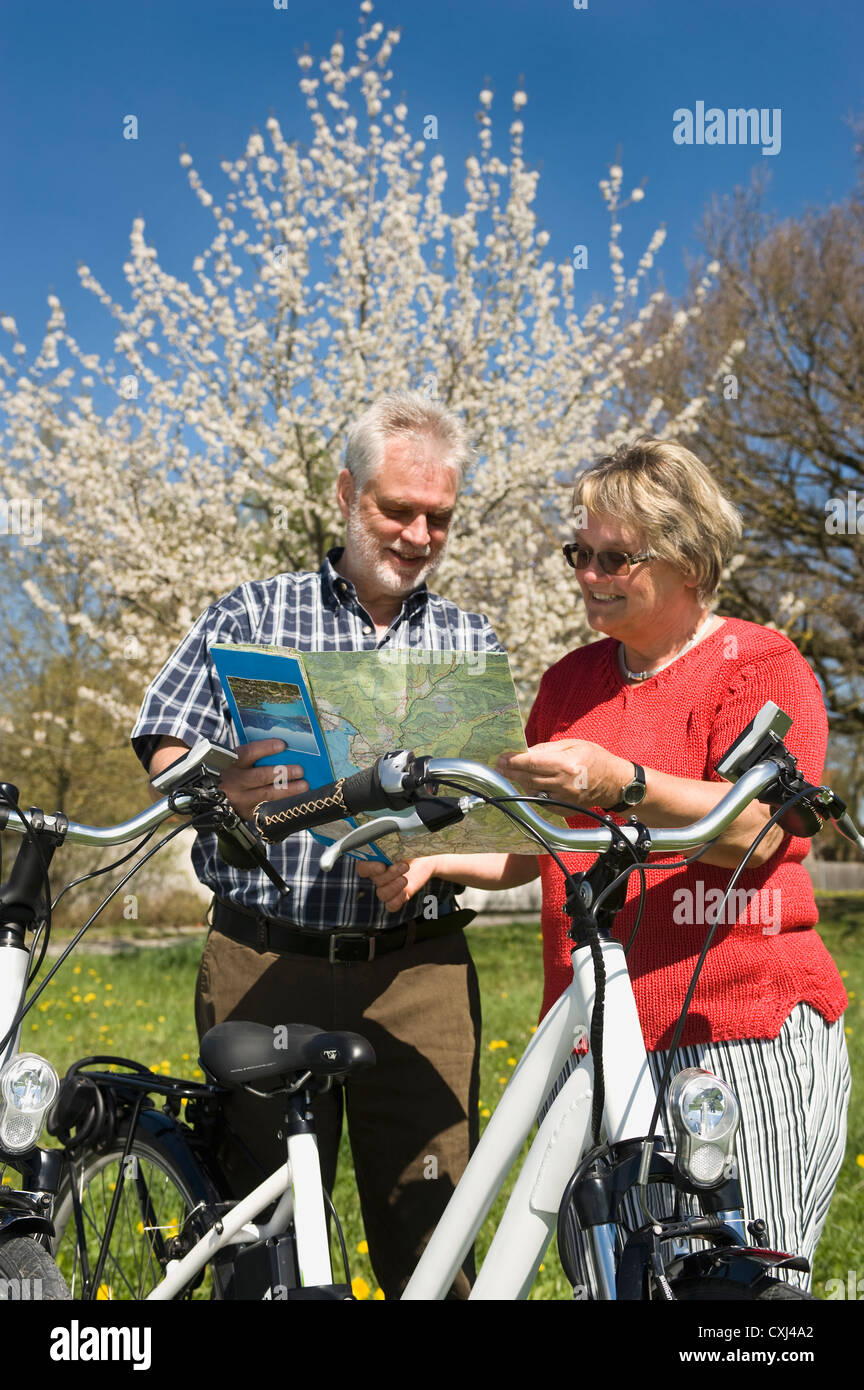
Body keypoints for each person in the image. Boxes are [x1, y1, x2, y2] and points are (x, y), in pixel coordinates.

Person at [358, 436, 850, 1291]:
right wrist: (443, 862)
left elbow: (760, 832)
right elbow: (545, 841)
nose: (587, 574)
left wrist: (621, 782)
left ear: (689, 555)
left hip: (728, 1031)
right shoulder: (571, 682)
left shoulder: (761, 665)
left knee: (733, 1285)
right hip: (593, 1033)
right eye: (577, 554)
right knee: (617, 1278)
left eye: (614, 557)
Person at [131, 392, 503, 1299]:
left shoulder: (466, 639)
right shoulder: (253, 614)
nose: (417, 535)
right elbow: (163, 740)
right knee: (256, 1237)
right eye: (396, 509)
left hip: (419, 974)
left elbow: (492, 821)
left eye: (439, 518)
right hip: (266, 958)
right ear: (346, 492)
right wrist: (221, 781)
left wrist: (434, 856)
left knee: (433, 1239)